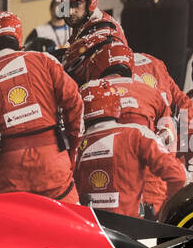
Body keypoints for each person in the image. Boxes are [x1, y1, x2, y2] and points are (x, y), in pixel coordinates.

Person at [0, 11, 83, 201]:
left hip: (8, 174)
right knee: (73, 226)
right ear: (18, 37)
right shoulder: (46, 61)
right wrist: (73, 150)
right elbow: (75, 103)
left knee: (6, 229)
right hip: (53, 166)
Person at [74, 81, 186, 217]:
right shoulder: (137, 133)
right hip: (134, 227)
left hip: (90, 227)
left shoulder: (75, 145)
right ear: (115, 104)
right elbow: (177, 175)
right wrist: (164, 211)